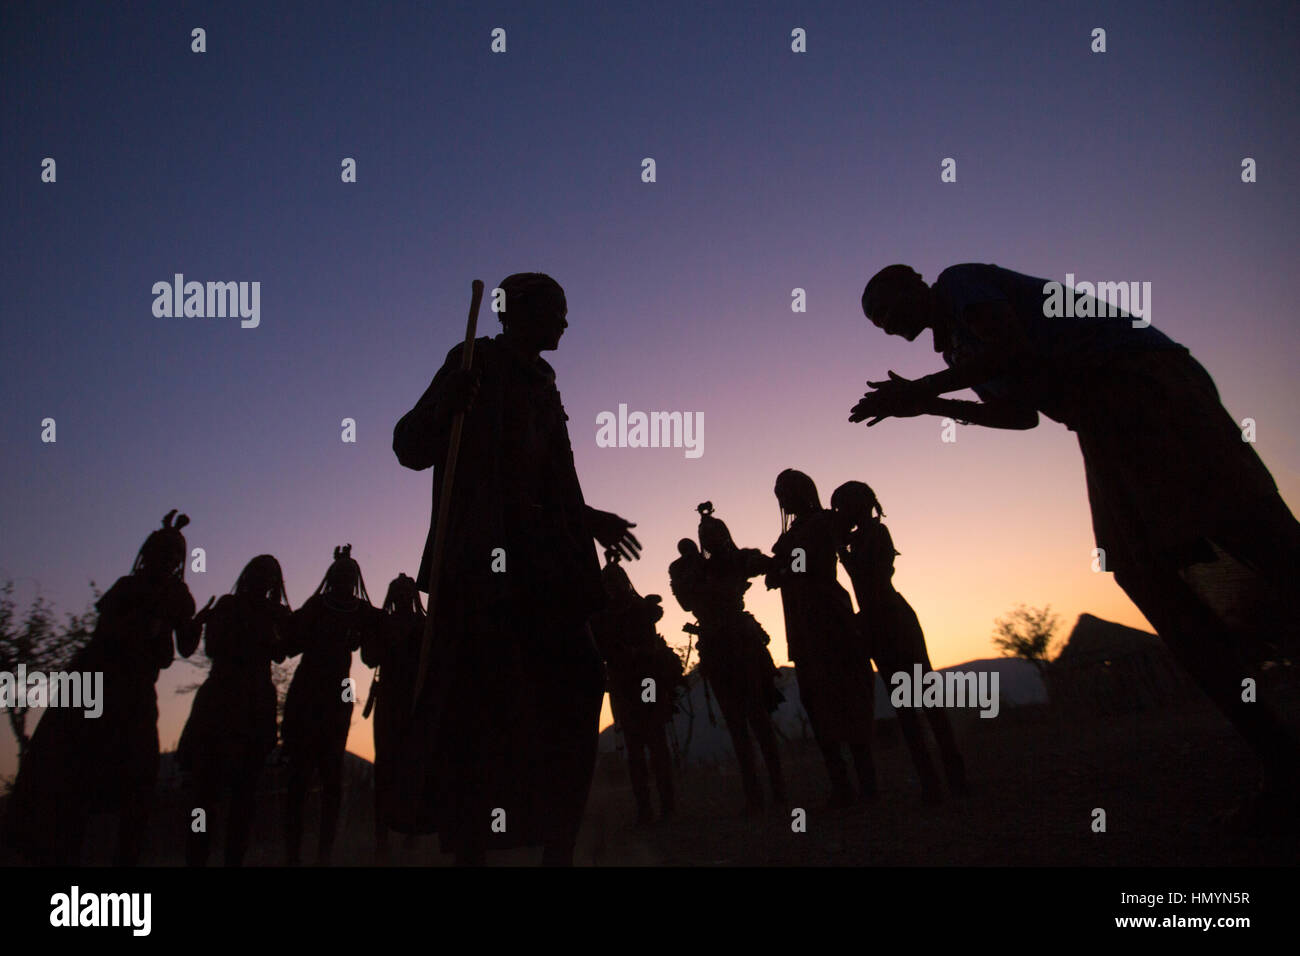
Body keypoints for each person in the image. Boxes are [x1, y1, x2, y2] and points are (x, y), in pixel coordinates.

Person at [854, 262, 1300, 829]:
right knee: (1144, 571)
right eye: (879, 324)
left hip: (1142, 387)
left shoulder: (962, 282)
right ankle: (1281, 759)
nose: (890, 326)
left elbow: (1013, 350)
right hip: (1100, 423)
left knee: (1249, 530)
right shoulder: (956, 353)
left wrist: (922, 390)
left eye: (889, 310)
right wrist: (931, 405)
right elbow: (1019, 418)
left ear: (916, 282)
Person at [392, 271, 641, 865]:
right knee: (478, 707)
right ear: (520, 310)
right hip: (483, 569)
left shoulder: (545, 385)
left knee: (579, 680)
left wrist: (590, 518)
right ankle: (470, 848)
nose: (564, 321)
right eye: (555, 309)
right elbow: (408, 444)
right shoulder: (473, 357)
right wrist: (447, 403)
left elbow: (545, 484)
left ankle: (556, 845)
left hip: (546, 568)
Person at [3, 511, 205, 865]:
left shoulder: (176, 592)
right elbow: (115, 636)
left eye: (175, 555)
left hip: (133, 691)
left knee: (138, 786)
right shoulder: (127, 587)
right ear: (150, 553)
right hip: (98, 688)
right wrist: (154, 626)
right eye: (164, 553)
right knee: (74, 781)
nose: (169, 560)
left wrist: (196, 623)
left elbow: (184, 645)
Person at [831, 481, 967, 802]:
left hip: (891, 619)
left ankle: (951, 778)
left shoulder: (875, 534)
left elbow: (867, 575)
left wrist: (841, 549)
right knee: (906, 706)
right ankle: (934, 782)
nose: (839, 514)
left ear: (858, 505)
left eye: (842, 507)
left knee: (926, 702)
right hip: (880, 620)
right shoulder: (862, 536)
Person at [767, 471, 877, 806]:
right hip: (803, 626)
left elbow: (806, 565)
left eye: (786, 491)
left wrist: (780, 572)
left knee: (845, 698)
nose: (782, 498)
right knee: (816, 703)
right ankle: (841, 784)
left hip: (828, 618)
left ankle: (866, 783)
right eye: (779, 492)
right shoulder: (799, 530)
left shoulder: (818, 525)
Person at [670, 503, 787, 812]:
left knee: (757, 718)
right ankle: (755, 794)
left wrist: (768, 564)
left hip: (739, 639)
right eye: (703, 534)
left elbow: (763, 563)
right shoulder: (694, 569)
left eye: (713, 532)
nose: (708, 538)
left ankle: (777, 789)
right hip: (716, 644)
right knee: (736, 721)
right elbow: (684, 600)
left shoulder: (736, 559)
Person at [178, 554, 292, 866]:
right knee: (206, 796)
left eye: (268, 576)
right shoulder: (230, 606)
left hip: (251, 709)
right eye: (259, 574)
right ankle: (196, 858)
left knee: (241, 799)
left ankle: (229, 860)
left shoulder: (273, 613)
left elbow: (283, 651)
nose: (263, 581)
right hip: (222, 706)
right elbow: (214, 647)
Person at [280, 544, 384, 865]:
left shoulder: (359, 611)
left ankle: (323, 855)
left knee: (331, 778)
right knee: (298, 779)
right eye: (340, 573)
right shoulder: (318, 606)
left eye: (348, 574)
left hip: (338, 695)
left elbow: (377, 642)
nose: (344, 579)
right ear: (332, 575)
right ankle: (293, 856)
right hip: (307, 692)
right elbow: (289, 644)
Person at [589, 550, 682, 824]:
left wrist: (634, 653)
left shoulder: (639, 609)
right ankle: (646, 808)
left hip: (645, 680)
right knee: (635, 747)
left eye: (614, 581)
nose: (612, 587)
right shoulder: (603, 617)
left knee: (654, 741)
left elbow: (647, 644)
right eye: (608, 583)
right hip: (623, 683)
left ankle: (666, 806)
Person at [360, 572, 425, 854]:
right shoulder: (382, 622)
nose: (401, 595)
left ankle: (409, 834)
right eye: (397, 590)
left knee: (411, 768)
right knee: (386, 767)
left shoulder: (424, 625)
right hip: (388, 700)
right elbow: (369, 657)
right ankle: (382, 837)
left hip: (414, 701)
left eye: (406, 590)